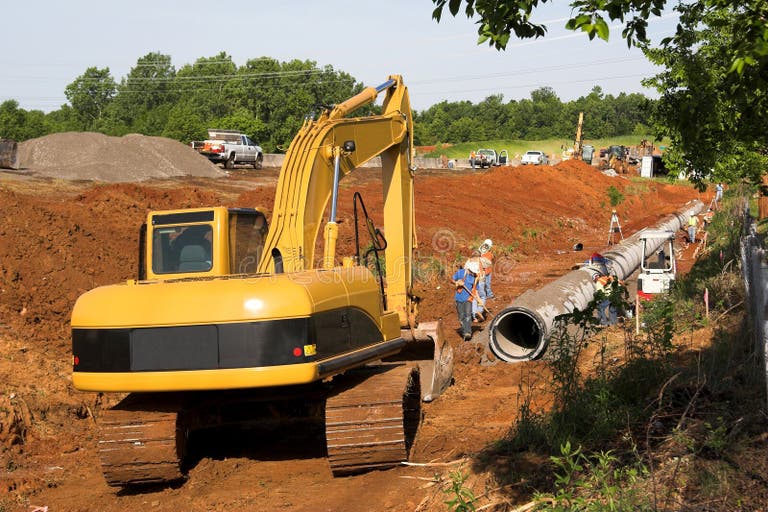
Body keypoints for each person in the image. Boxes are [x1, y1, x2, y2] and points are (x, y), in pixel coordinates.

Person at [451, 263, 476, 341]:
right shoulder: (460, 272)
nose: (473, 273)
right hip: (459, 298)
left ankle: (468, 332)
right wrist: (456, 282)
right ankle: (464, 331)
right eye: (472, 271)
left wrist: (479, 300)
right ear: (469, 269)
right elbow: (451, 279)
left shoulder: (475, 277)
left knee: (468, 315)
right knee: (461, 316)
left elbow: (476, 289)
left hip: (468, 298)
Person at [464, 250, 487, 322]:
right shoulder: (480, 260)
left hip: (470, 281)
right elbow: (487, 266)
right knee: (482, 296)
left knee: (474, 298)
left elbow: (465, 271)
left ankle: (474, 317)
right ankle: (479, 310)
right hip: (479, 281)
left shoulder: (468, 261)